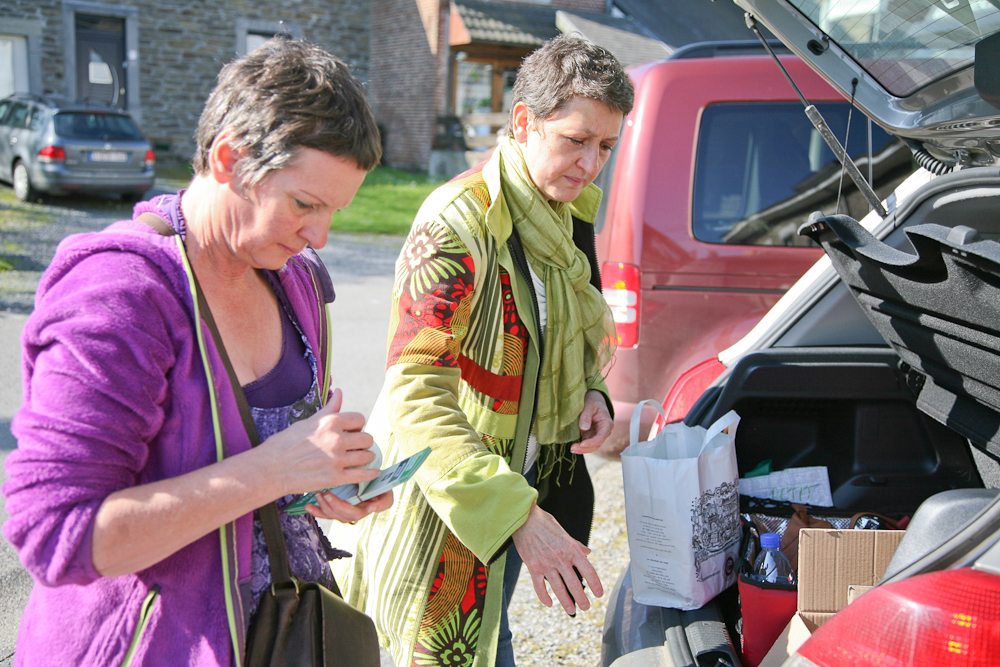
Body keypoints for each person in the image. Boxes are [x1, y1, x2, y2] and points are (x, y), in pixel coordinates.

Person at [3, 37, 391, 665]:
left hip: (278, 635)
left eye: (335, 211)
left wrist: (323, 476)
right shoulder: (120, 295)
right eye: (304, 204)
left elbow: (263, 458)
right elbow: (56, 536)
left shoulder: (292, 274)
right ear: (229, 160)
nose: (319, 235)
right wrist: (274, 470)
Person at [335, 34, 634, 666]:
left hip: (519, 493)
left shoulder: (567, 207)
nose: (591, 163)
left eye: (606, 145)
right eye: (576, 140)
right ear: (524, 122)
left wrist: (593, 391)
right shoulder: (455, 225)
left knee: (491, 643)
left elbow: (570, 331)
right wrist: (518, 517)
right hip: (451, 508)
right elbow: (415, 396)